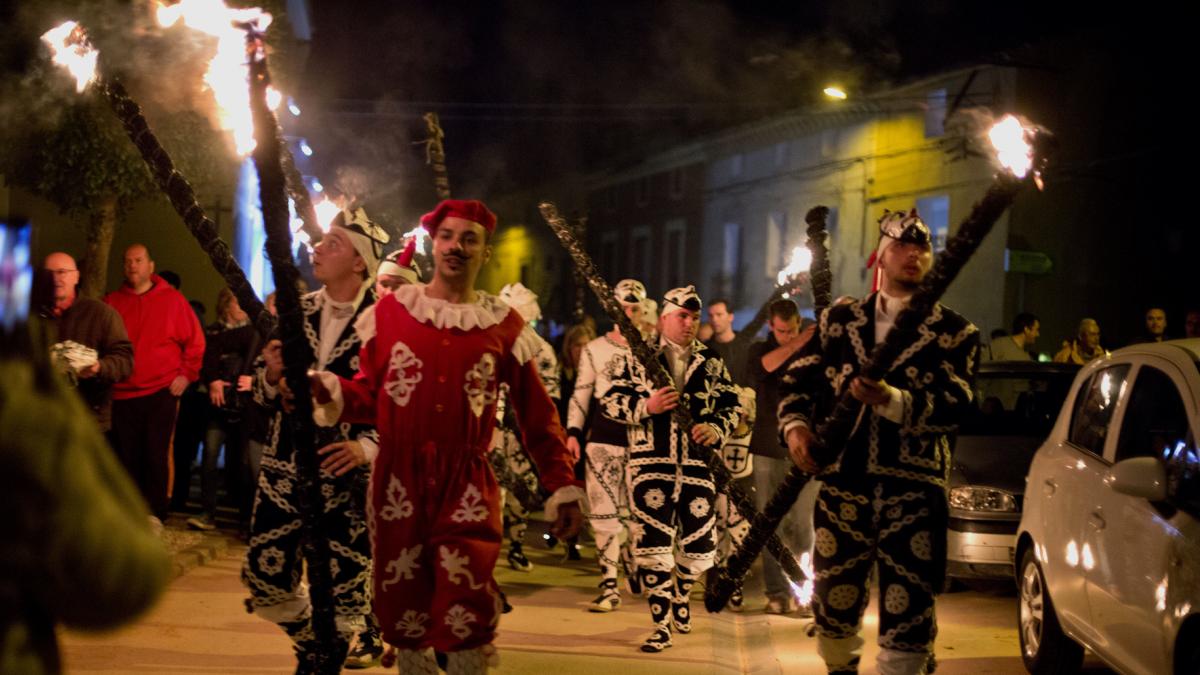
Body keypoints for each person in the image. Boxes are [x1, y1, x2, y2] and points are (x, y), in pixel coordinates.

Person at [308, 198, 584, 674]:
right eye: (448, 237)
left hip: (467, 481)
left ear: (485, 252)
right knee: (404, 603)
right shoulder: (390, 314)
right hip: (399, 479)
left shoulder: (503, 325)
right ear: (434, 245)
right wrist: (327, 388)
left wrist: (561, 485)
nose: (457, 247)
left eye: (469, 239)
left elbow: (539, 416)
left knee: (465, 600)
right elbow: (372, 396)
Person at [781, 209, 979, 675]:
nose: (914, 255)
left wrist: (894, 400)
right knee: (833, 601)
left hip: (915, 493)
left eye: (922, 247)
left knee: (910, 604)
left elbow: (960, 403)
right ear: (881, 257)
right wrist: (796, 429)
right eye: (902, 246)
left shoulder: (955, 332)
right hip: (844, 486)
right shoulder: (839, 321)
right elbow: (797, 382)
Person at [242, 209, 386, 670]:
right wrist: (270, 375)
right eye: (320, 241)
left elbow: (401, 398)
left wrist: (367, 448)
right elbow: (262, 393)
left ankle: (322, 661)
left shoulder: (386, 321)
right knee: (265, 579)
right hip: (283, 473)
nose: (318, 249)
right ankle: (312, 645)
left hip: (347, 479)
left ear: (360, 262)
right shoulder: (295, 310)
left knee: (344, 595)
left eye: (333, 243)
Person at [1, 326, 170, 675]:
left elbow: (122, 357)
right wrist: (46, 394)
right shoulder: (20, 412)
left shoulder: (101, 318)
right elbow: (119, 582)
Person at [601, 285, 741, 653]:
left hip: (698, 466)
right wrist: (646, 407)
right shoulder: (637, 355)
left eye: (694, 317)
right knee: (654, 548)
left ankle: (681, 591)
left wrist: (716, 428)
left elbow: (732, 405)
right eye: (683, 316)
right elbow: (610, 401)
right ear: (664, 318)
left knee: (700, 550)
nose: (690, 323)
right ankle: (661, 626)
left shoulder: (712, 361)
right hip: (651, 465)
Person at [105, 244, 205, 525]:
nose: (132, 266)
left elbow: (195, 342)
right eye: (128, 261)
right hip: (123, 391)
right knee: (125, 455)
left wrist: (186, 374)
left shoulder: (172, 301)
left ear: (150, 265)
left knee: (155, 453)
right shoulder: (113, 302)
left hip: (161, 389)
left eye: (138, 260)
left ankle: (154, 512)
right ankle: (128, 511)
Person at [566, 279, 648, 611]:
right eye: (622, 307)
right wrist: (573, 432)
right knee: (603, 513)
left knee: (639, 514)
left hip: (643, 443)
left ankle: (634, 562)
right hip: (602, 440)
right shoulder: (595, 349)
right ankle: (609, 585)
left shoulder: (653, 348)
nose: (628, 313)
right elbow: (582, 392)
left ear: (642, 310)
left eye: (634, 308)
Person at [745, 298, 819, 615]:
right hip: (767, 450)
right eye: (781, 331)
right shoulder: (759, 350)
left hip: (804, 451)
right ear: (770, 326)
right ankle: (776, 593)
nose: (787, 336)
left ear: (799, 324)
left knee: (804, 526)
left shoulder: (812, 353)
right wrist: (797, 343)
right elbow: (764, 368)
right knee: (770, 525)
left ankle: (803, 592)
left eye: (792, 331)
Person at [491, 282, 561, 573]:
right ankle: (491, 555)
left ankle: (516, 546)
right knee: (493, 495)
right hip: (493, 432)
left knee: (521, 494)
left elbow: (550, 395)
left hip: (522, 433)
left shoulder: (542, 350)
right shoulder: (491, 341)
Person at [189, 288, 258, 532]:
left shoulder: (254, 333)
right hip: (218, 405)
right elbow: (205, 356)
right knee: (209, 455)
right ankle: (208, 511)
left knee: (241, 462)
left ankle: (243, 516)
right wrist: (213, 380)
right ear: (226, 305)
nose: (242, 307)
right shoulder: (213, 331)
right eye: (237, 302)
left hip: (243, 405)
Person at [41, 252, 133, 433]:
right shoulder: (30, 315)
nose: (55, 279)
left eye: (62, 272)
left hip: (88, 422)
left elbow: (125, 361)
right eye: (48, 273)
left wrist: (99, 367)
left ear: (76, 277)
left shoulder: (101, 314)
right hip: (43, 420)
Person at [705, 298, 748, 384]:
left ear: (730, 317)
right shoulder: (705, 350)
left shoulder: (746, 346)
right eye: (710, 315)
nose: (714, 319)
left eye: (719, 315)